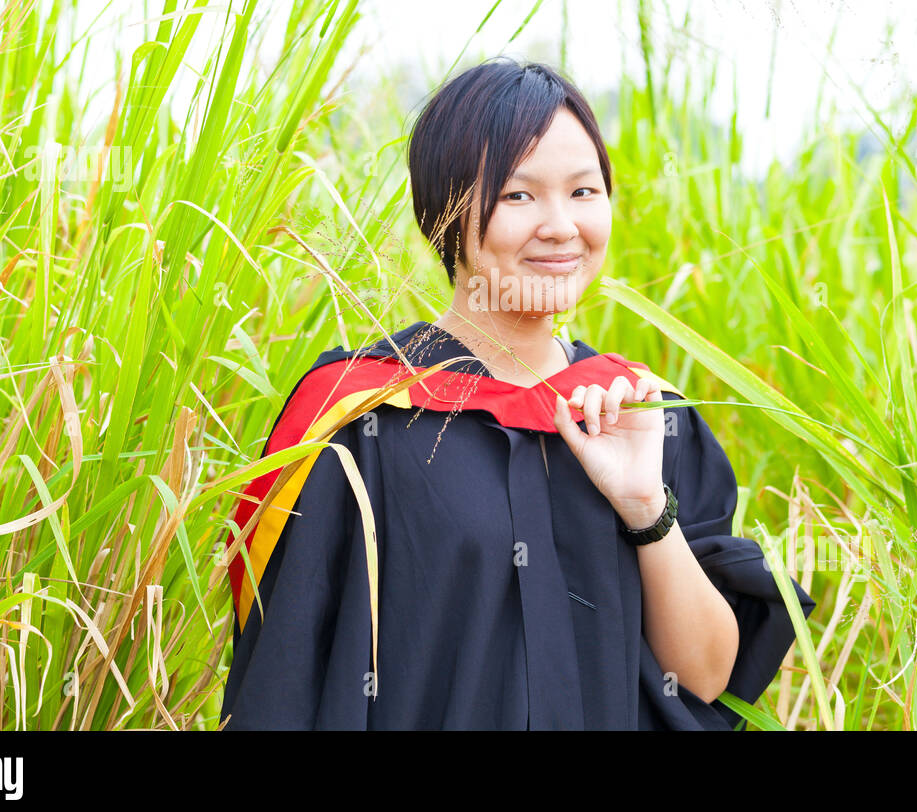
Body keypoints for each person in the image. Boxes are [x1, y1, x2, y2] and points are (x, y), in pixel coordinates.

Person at [219, 58, 814, 730]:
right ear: (441, 212)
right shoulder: (358, 421)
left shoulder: (642, 413)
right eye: (517, 196)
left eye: (585, 192)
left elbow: (705, 678)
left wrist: (646, 508)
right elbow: (287, 678)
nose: (561, 226)